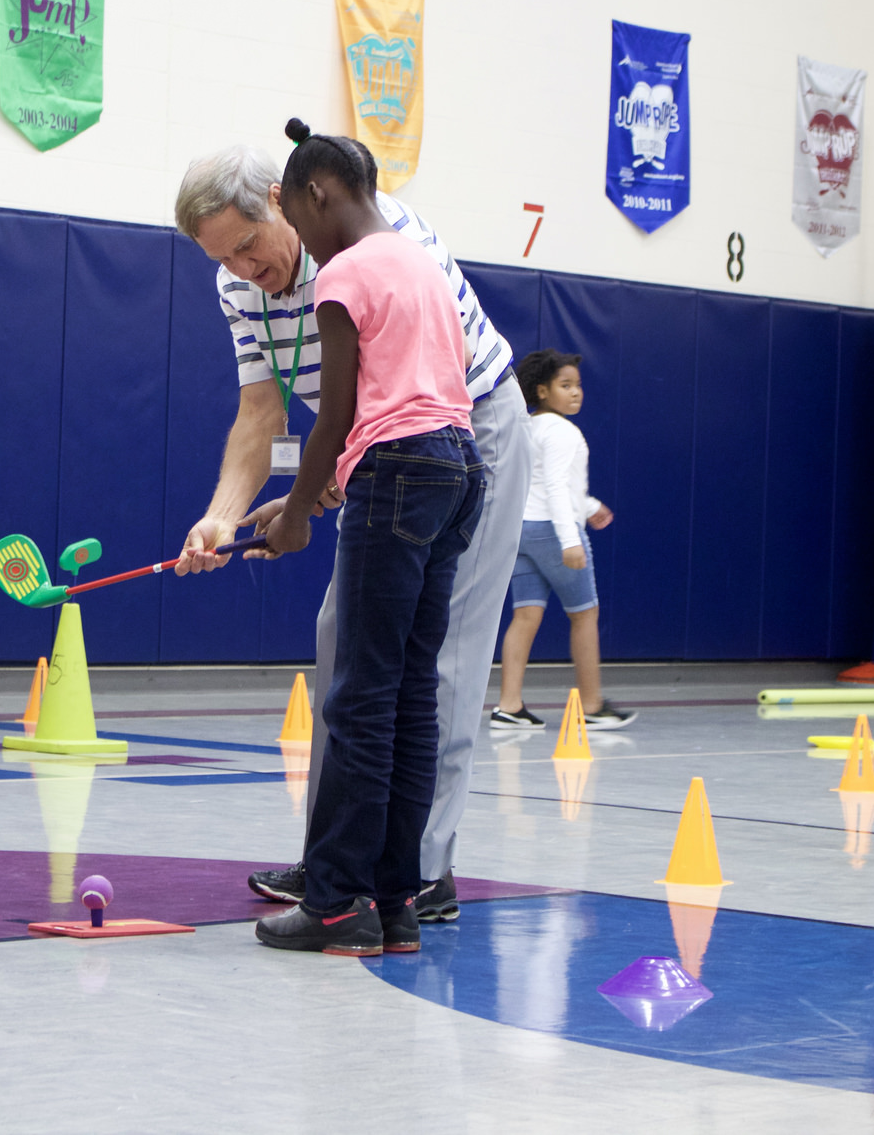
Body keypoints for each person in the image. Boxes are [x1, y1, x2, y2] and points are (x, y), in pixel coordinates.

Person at [171, 139, 529, 923]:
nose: (241, 269)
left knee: (441, 655)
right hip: (379, 449)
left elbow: (413, 398)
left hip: (469, 428)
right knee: (349, 638)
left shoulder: (380, 237)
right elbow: (262, 412)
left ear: (281, 199)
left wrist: (305, 502)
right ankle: (340, 857)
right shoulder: (239, 291)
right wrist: (222, 516)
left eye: (247, 244)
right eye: (221, 258)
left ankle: (419, 870)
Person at [248, 119, 485, 956]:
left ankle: (337, 898)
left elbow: (340, 412)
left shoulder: (343, 273)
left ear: (318, 192)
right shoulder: (422, 260)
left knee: (358, 695)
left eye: (298, 222)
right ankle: (397, 902)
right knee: (411, 694)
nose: (301, 245)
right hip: (460, 470)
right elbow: (427, 394)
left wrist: (300, 508)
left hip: (398, 474)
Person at [492, 349, 634, 730]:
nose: (576, 393)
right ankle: (591, 705)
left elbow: (539, 482)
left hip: (519, 530)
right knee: (585, 615)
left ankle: (509, 705)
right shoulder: (565, 432)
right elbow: (555, 485)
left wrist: (588, 504)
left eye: (578, 385)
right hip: (554, 532)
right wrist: (570, 539)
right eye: (565, 385)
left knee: (525, 616)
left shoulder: (528, 426)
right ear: (541, 390)